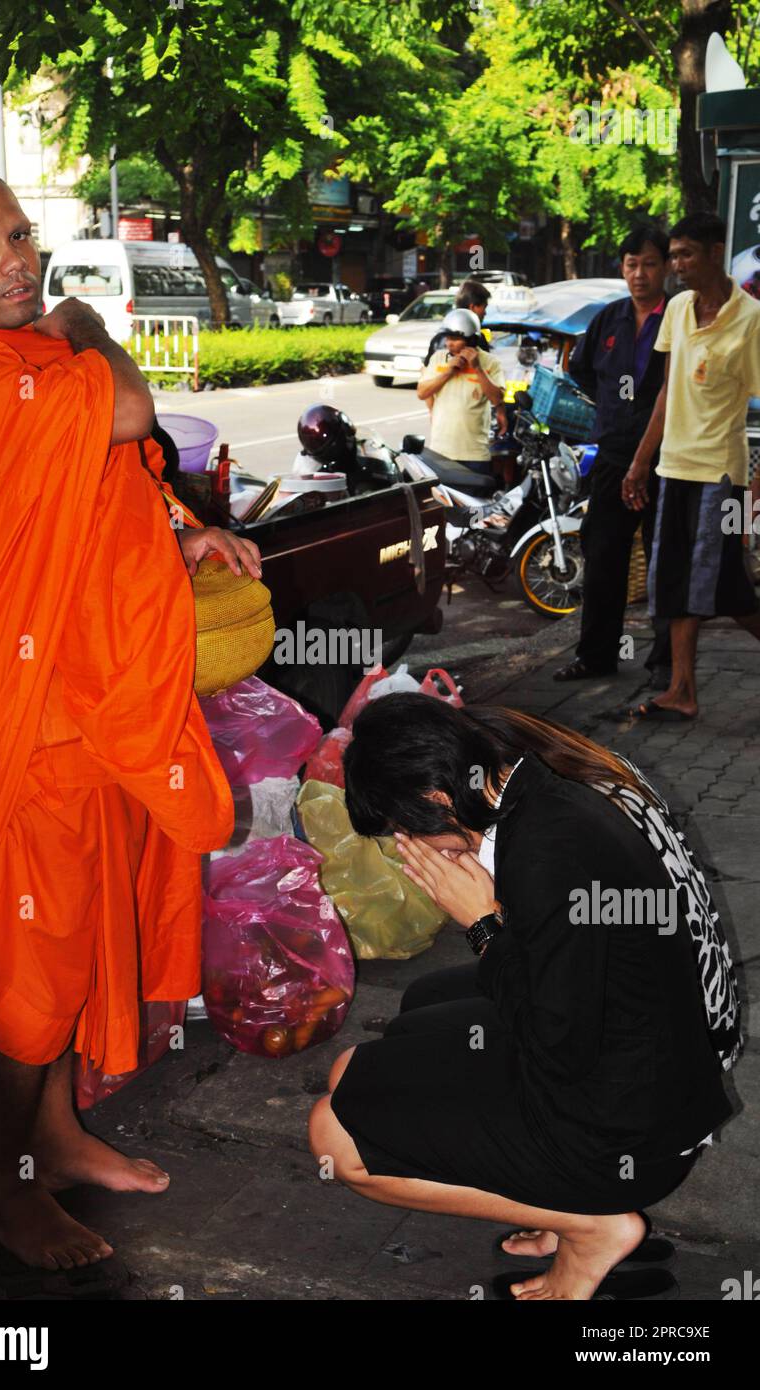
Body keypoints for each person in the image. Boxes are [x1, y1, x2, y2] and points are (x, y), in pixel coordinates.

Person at [0, 163, 261, 1270]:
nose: (13, 260)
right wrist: (89, 321)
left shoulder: (33, 362)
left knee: (72, 942)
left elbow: (96, 480)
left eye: (18, 235)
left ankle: (52, 1140)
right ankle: (3, 1191)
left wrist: (180, 535)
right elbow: (127, 408)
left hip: (91, 703)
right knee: (30, 969)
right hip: (24, 713)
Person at [309, 693, 739, 1301]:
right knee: (406, 1021)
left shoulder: (547, 852)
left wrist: (483, 926)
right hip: (663, 1052)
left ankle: (592, 1225)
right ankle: (555, 1199)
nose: (408, 844)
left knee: (335, 1134)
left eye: (406, 828)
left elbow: (558, 1046)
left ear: (436, 798)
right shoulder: (542, 774)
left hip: (634, 1125)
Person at [622, 212, 760, 720]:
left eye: (686, 255)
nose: (677, 265)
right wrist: (640, 463)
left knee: (716, 585)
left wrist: (758, 488)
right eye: (674, 255)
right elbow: (665, 392)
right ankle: (681, 691)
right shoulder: (678, 309)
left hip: (721, 474)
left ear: (715, 252)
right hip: (673, 468)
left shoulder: (751, 319)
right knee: (683, 580)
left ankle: (682, 691)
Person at [554, 227, 672, 686]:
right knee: (603, 556)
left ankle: (664, 663)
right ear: (621, 268)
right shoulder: (609, 319)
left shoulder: (677, 318)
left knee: (665, 562)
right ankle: (597, 655)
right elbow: (580, 369)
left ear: (664, 267)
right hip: (613, 458)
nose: (639, 274)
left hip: (667, 461)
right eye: (631, 264)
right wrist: (614, 410)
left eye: (648, 264)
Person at [417, 307, 505, 474]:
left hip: (475, 454)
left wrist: (478, 369)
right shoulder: (439, 359)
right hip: (440, 451)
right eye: (448, 339)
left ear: (471, 340)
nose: (450, 344)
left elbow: (496, 399)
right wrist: (448, 372)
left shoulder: (490, 363)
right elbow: (422, 393)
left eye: (456, 339)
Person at [423, 278, 491, 367]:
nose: (485, 313)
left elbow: (427, 371)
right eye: (484, 307)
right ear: (473, 307)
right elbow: (487, 371)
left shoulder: (438, 338)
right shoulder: (477, 339)